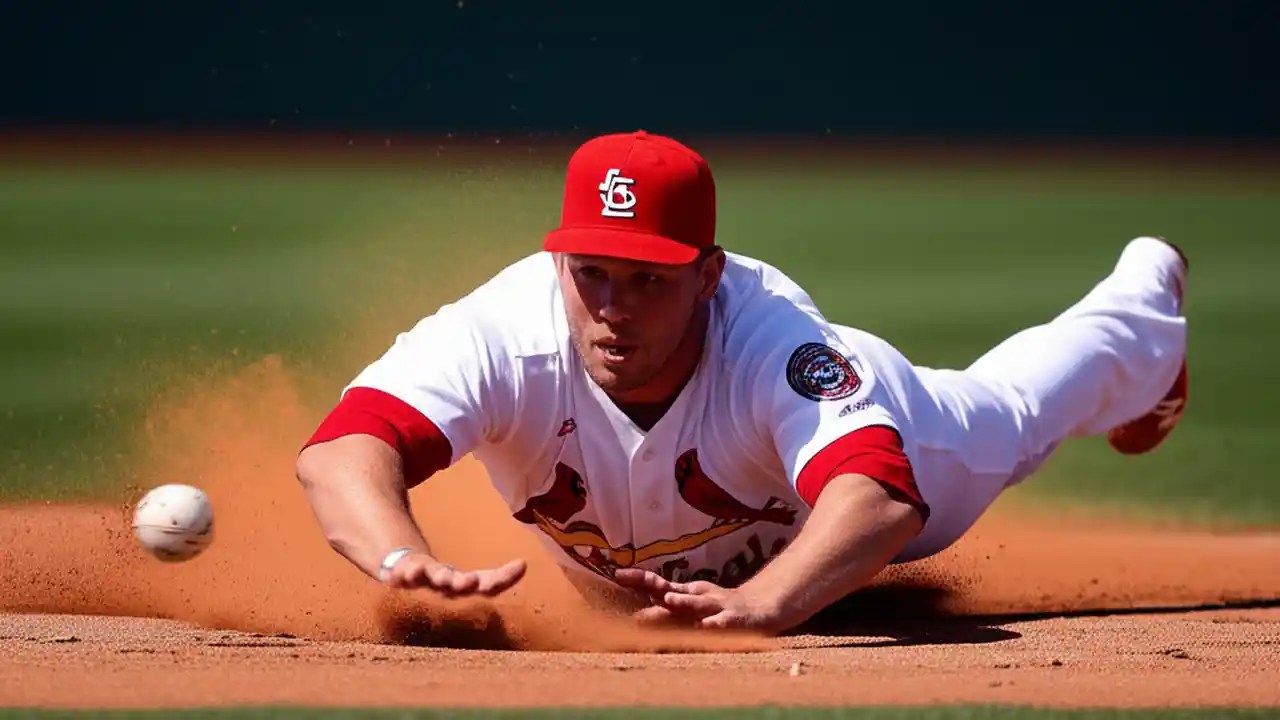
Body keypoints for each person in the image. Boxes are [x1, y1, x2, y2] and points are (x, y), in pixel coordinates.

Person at [295, 131, 1188, 634]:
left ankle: (1143, 308)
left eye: (649, 279)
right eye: (594, 272)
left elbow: (877, 498)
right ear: (558, 260)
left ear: (708, 276)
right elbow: (342, 453)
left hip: (891, 435)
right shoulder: (502, 332)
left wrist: (763, 603)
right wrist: (395, 556)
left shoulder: (768, 338)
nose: (614, 307)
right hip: (698, 558)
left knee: (1014, 409)